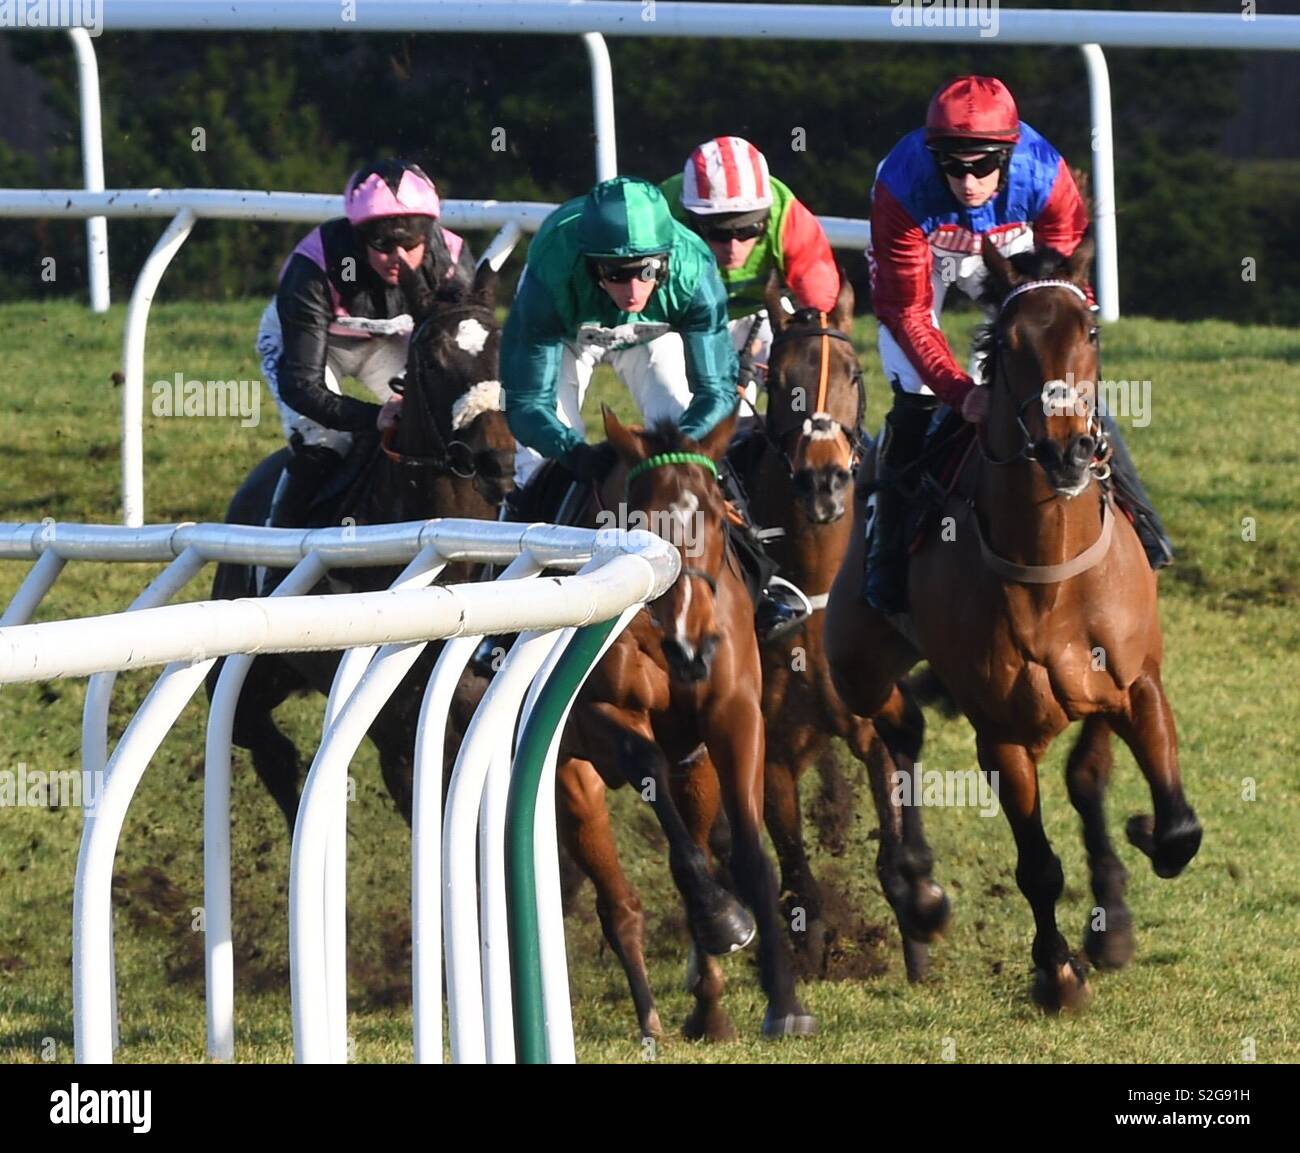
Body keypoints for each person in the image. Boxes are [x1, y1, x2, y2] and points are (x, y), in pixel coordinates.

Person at [865, 75, 1174, 613]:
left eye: (982, 165)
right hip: (924, 264)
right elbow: (909, 311)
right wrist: (961, 392)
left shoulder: (1045, 177)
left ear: (1007, 156)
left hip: (1015, 252)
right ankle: (885, 554)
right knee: (915, 401)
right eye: (952, 165)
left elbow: (1065, 302)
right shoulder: (902, 184)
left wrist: (1065, 364)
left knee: (1071, 393)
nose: (966, 180)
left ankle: (1141, 519)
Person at [499, 174, 808, 641]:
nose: (632, 290)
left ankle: (759, 578)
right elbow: (526, 405)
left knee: (699, 453)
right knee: (537, 461)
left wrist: (683, 446)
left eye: (646, 271)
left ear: (666, 259)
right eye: (616, 274)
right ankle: (505, 613)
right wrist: (575, 453)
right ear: (590, 265)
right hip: (568, 330)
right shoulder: (552, 274)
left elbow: (718, 394)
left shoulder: (692, 267)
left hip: (653, 334)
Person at [257, 159, 473, 536]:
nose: (398, 257)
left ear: (429, 233)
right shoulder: (313, 265)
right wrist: (370, 417)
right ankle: (275, 557)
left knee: (441, 430)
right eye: (382, 243)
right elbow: (302, 386)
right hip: (312, 345)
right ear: (360, 237)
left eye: (410, 242)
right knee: (324, 445)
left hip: (389, 339)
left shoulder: (452, 262)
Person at [661, 135, 840, 400]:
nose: (733, 246)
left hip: (762, 313)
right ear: (691, 221)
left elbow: (822, 313)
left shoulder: (789, 220)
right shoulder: (661, 218)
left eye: (748, 229)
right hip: (685, 324)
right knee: (714, 413)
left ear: (766, 216)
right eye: (718, 233)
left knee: (811, 386)